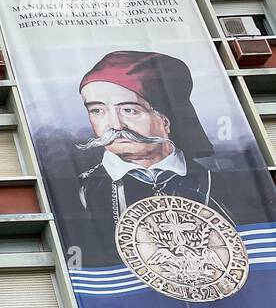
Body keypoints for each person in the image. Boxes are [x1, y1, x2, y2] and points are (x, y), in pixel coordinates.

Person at [66, 50, 261, 267]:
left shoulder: (223, 184)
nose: (114, 125)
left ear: (166, 120)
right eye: (97, 111)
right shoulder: (81, 191)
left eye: (129, 110)